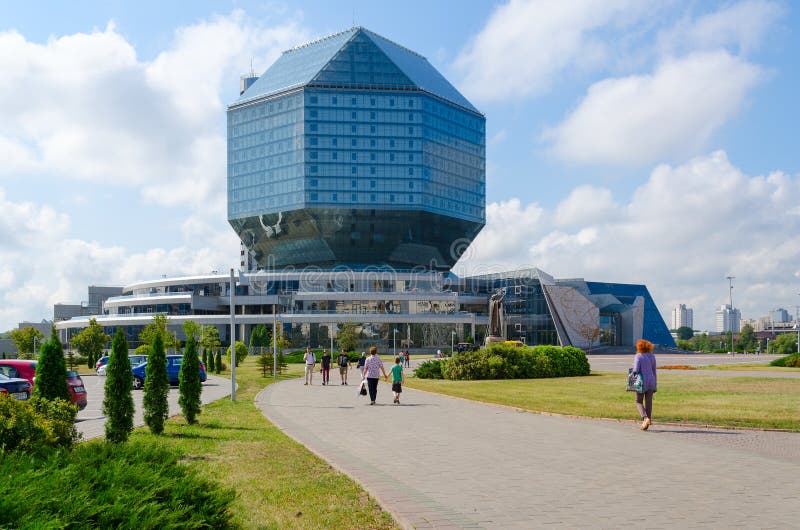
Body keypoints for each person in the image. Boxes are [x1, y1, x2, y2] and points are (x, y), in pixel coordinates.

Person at [633, 339, 657, 430]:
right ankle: (647, 421)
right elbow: (654, 371)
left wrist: (632, 374)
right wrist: (655, 385)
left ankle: (645, 418)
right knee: (649, 402)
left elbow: (635, 370)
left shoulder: (638, 356)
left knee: (638, 401)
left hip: (641, 382)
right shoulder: (652, 356)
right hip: (651, 381)